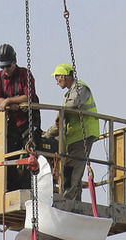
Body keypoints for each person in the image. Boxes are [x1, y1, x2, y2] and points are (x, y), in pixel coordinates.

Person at [43, 63, 99, 207]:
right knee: (74, 171)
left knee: (71, 170)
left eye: (57, 78)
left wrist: (60, 112)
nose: (56, 82)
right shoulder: (69, 94)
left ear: (64, 76)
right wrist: (47, 134)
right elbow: (60, 123)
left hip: (83, 135)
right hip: (75, 137)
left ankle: (67, 203)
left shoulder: (81, 88)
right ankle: (75, 203)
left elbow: (72, 105)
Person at [0, 42, 41, 190]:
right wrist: (7, 104)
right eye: (2, 67)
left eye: (8, 66)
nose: (5, 70)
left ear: (15, 62)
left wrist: (9, 101)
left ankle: (29, 189)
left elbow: (29, 96)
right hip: (13, 121)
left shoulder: (24, 74)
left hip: (29, 120)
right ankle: (11, 189)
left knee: (30, 154)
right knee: (8, 155)